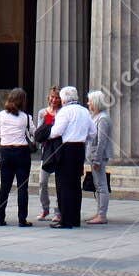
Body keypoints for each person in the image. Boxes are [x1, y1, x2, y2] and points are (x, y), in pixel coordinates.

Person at [50, 85, 93, 228]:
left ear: (64, 99)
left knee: (64, 185)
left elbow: (56, 131)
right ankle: (75, 218)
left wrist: (47, 133)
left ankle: (66, 220)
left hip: (66, 148)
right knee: (75, 184)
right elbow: (93, 132)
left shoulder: (64, 111)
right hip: (79, 149)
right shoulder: (84, 111)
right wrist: (83, 137)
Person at [0, 88, 34, 227]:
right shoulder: (26, 117)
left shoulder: (0, 115)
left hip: (6, 151)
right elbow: (33, 133)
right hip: (22, 152)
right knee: (22, 187)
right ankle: (22, 219)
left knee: (4, 187)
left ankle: (0, 218)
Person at [85, 90, 113, 225]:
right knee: (98, 185)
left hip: (98, 156)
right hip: (93, 155)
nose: (88, 103)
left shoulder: (102, 119)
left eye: (90, 101)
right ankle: (99, 212)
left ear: (95, 103)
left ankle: (102, 214)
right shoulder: (96, 117)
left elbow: (102, 141)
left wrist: (97, 159)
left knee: (101, 185)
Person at [36, 86, 61, 221]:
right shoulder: (42, 112)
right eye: (52, 97)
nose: (54, 100)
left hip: (58, 150)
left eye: (57, 98)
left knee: (59, 182)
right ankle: (44, 208)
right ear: (48, 98)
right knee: (42, 181)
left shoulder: (63, 112)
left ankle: (58, 211)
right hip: (46, 150)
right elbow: (39, 131)